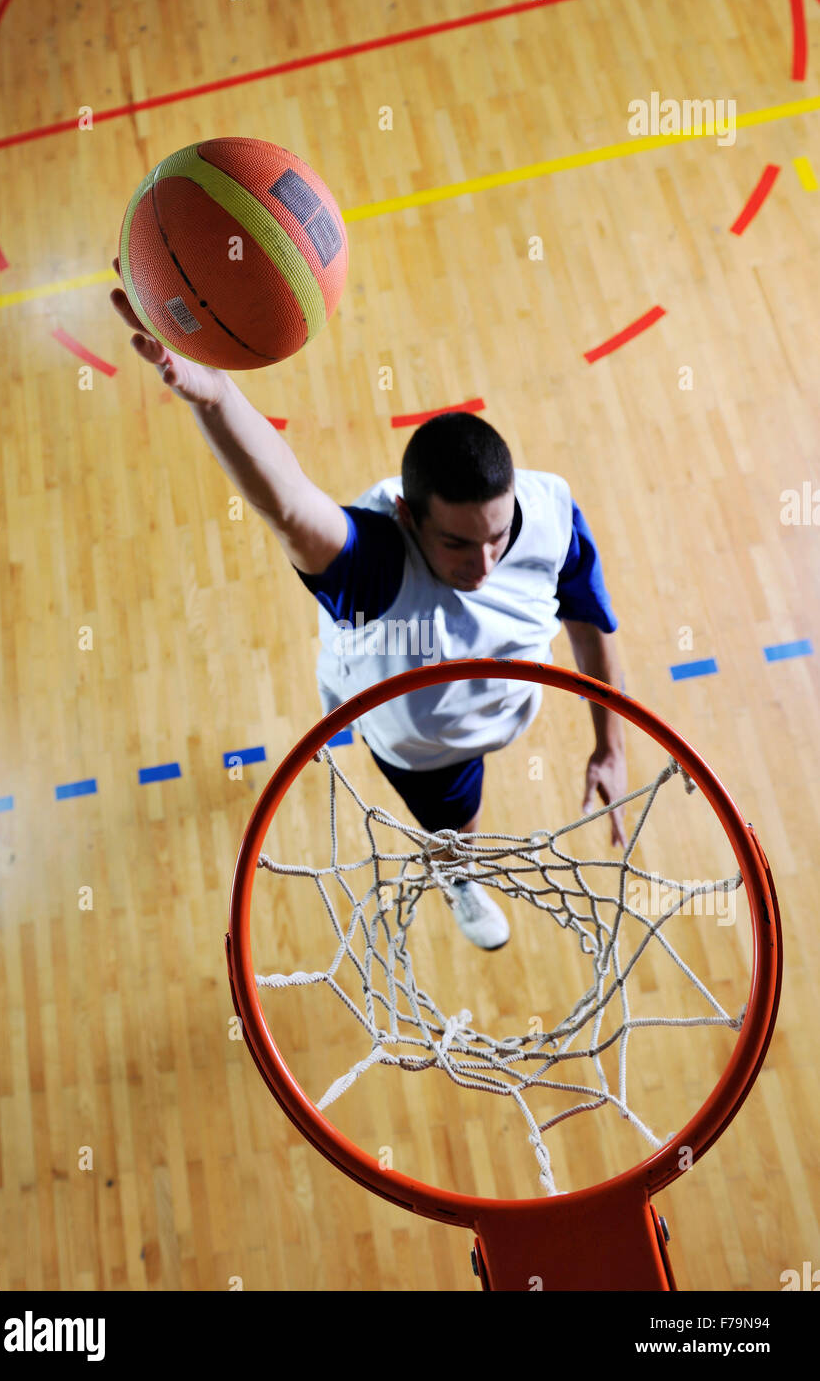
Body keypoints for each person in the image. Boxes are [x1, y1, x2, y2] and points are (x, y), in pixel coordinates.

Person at [110, 260, 627, 951]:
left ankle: (339, 672)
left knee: (356, 644)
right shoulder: (377, 560)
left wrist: (609, 744)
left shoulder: (549, 514)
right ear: (410, 516)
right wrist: (216, 400)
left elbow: (588, 623)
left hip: (479, 689)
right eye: (457, 545)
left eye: (497, 538)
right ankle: (457, 874)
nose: (483, 565)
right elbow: (289, 504)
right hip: (426, 746)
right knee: (455, 828)